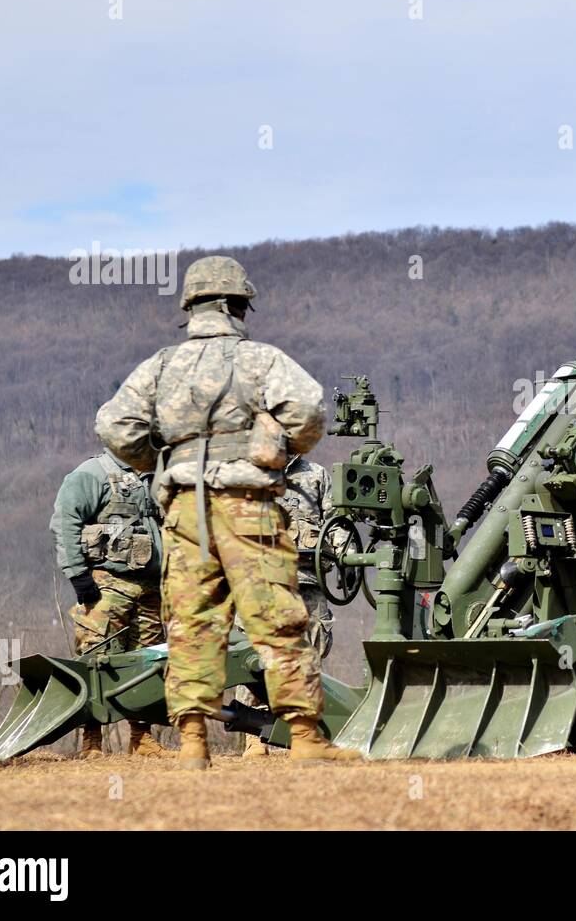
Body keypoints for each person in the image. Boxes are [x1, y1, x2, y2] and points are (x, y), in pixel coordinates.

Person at [95, 254, 359, 770]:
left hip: (185, 510)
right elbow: (309, 411)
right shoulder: (261, 360)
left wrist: (166, 463)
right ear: (239, 305)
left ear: (190, 307)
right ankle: (305, 736)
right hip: (247, 504)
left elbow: (115, 426)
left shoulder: (161, 365)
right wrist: (276, 450)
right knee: (276, 616)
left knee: (192, 620)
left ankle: (193, 743)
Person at [50, 447, 171, 758]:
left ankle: (142, 738)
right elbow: (65, 523)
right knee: (96, 659)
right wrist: (78, 574)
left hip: (151, 587)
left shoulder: (155, 476)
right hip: (106, 585)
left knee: (149, 661)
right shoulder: (92, 474)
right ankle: (92, 741)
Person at [236, 455, 337, 758]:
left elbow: (335, 522)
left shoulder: (316, 474)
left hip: (308, 580)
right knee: (252, 657)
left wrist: (345, 558)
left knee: (313, 651)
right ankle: (253, 734)